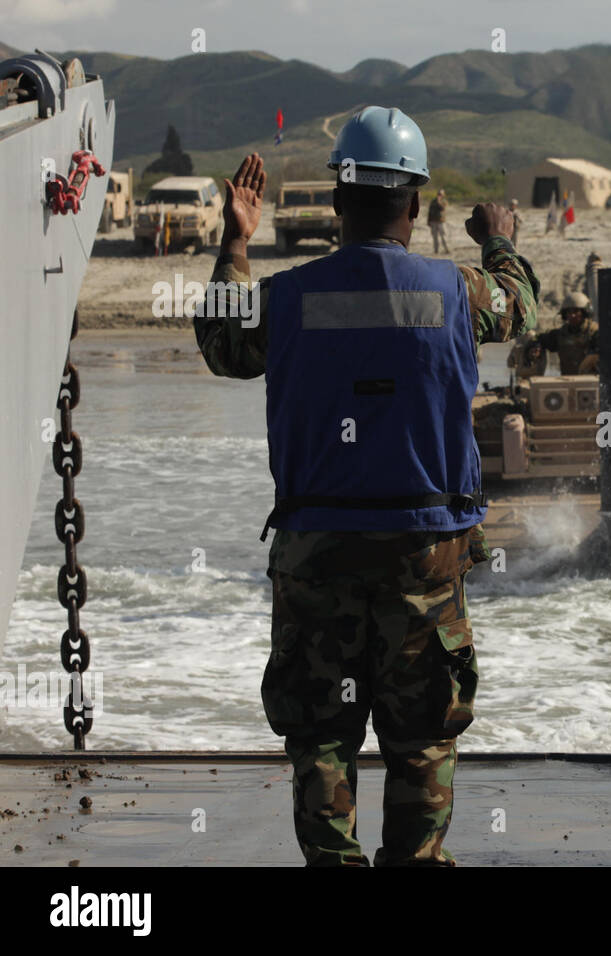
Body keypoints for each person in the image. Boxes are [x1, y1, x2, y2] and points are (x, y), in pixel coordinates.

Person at [194, 106, 539, 867]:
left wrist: (237, 239)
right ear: (415, 204)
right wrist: (499, 236)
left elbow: (222, 344)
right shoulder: (458, 293)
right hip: (425, 555)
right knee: (421, 735)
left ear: (337, 201)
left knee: (320, 732)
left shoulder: (288, 298)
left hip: (317, 552)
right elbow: (522, 305)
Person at [536, 291, 598, 374]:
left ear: (584, 312)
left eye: (576, 312)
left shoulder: (595, 333)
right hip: (567, 382)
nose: (572, 315)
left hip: (592, 382)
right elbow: (541, 340)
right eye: (569, 312)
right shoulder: (560, 334)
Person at [428, 187, 450, 254]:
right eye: (438, 193)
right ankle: (436, 250)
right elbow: (429, 211)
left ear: (443, 195)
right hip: (433, 221)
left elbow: (442, 208)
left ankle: (447, 249)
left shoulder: (444, 201)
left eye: (440, 194)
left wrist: (438, 201)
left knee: (443, 236)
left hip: (441, 221)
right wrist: (428, 221)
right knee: (435, 237)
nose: (439, 195)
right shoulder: (433, 201)